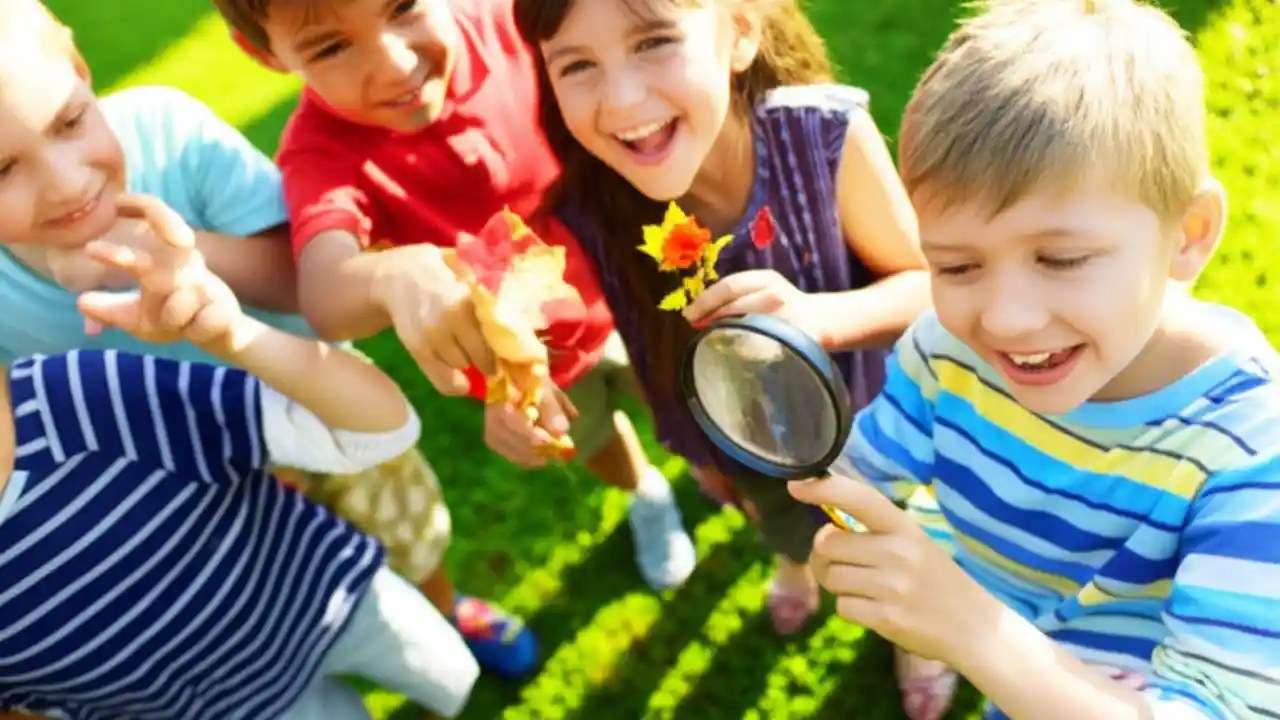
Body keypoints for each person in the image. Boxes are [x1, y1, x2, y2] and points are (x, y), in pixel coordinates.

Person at [790, 1, 1280, 718]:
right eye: (957, 267)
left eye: (1061, 258)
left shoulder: (1250, 453)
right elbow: (865, 468)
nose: (1003, 318)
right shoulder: (947, 349)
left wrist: (968, 630)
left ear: (1189, 233)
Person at [0, 0, 488, 680]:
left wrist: (179, 250)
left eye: (71, 121)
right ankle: (302, 668)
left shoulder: (169, 132)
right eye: (2, 172)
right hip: (177, 494)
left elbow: (306, 286)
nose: (67, 183)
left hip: (320, 409)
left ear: (80, 70)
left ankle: (446, 604)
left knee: (407, 531)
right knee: (257, 601)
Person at [209, 1, 699, 668]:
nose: (397, 64)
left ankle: (706, 463)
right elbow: (325, 291)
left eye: (405, 8)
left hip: (638, 292)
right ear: (264, 55)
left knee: (683, 395)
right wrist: (387, 275)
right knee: (593, 437)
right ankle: (645, 490)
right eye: (330, 48)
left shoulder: (517, 25)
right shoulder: (320, 154)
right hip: (531, 366)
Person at [513, 0, 931, 634]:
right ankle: (795, 561)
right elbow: (533, 317)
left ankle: (918, 636)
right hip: (736, 437)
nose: (622, 101)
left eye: (653, 42)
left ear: (740, 32)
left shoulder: (822, 138)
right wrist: (514, 387)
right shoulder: (587, 202)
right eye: (577, 65)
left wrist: (822, 319)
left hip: (870, 419)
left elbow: (928, 289)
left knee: (891, 536)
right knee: (783, 521)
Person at [0, 194, 479, 720]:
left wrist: (234, 335)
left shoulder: (79, 399)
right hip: (233, 712)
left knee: (452, 675)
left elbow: (380, 428)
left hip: (335, 600)